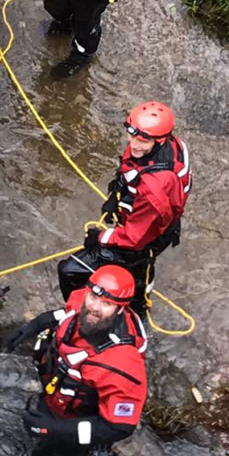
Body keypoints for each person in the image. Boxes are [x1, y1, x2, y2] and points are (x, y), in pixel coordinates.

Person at [0, 265, 147, 456]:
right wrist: (33, 326)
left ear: (120, 310)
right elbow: (66, 313)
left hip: (78, 419)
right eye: (93, 297)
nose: (94, 308)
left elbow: (119, 426)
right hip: (58, 395)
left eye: (106, 304)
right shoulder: (83, 300)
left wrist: (54, 429)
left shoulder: (122, 365)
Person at [58, 101, 191, 315]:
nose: (135, 145)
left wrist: (101, 237)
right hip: (151, 222)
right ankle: (135, 298)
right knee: (138, 271)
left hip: (146, 236)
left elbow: (134, 238)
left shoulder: (154, 187)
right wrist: (116, 195)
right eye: (132, 137)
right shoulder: (170, 145)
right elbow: (133, 167)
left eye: (142, 141)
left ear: (159, 140)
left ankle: (94, 315)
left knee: (70, 271)